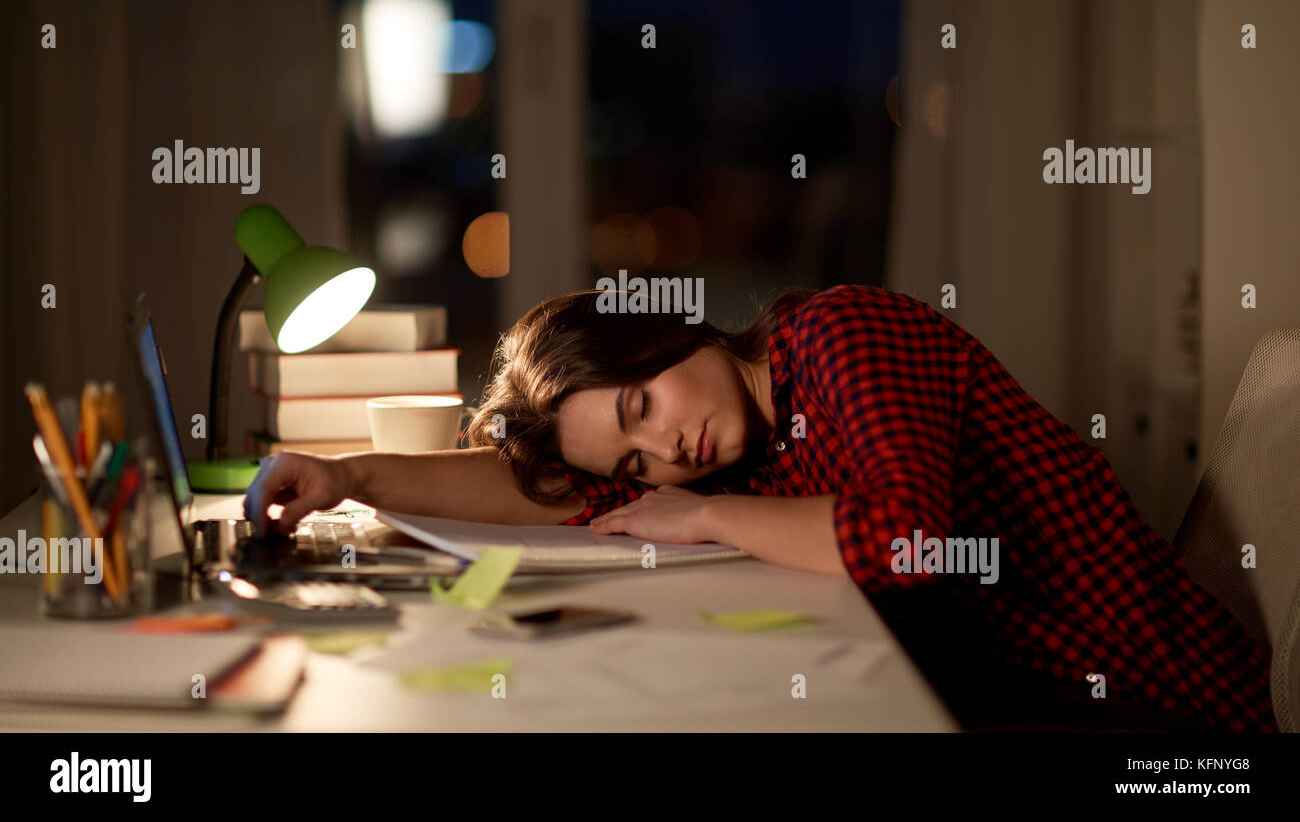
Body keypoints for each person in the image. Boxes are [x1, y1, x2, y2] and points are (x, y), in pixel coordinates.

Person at [243, 283, 1276, 731]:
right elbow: (549, 492)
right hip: (1015, 688)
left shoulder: (842, 336)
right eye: (637, 459)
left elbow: (905, 540)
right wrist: (350, 477)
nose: (664, 453)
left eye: (645, 404)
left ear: (670, 332)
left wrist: (702, 521)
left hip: (1165, 716)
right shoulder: (740, 444)